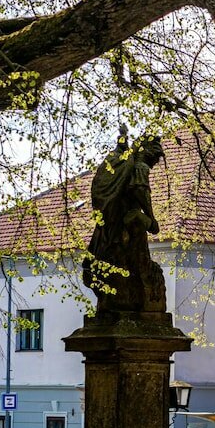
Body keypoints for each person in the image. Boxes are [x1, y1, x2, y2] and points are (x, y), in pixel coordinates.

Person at [83, 130, 167, 315]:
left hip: (111, 226)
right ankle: (134, 296)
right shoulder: (139, 166)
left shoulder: (121, 162)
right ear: (148, 152)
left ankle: (115, 297)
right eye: (155, 158)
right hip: (127, 227)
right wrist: (152, 219)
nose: (155, 164)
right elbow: (140, 190)